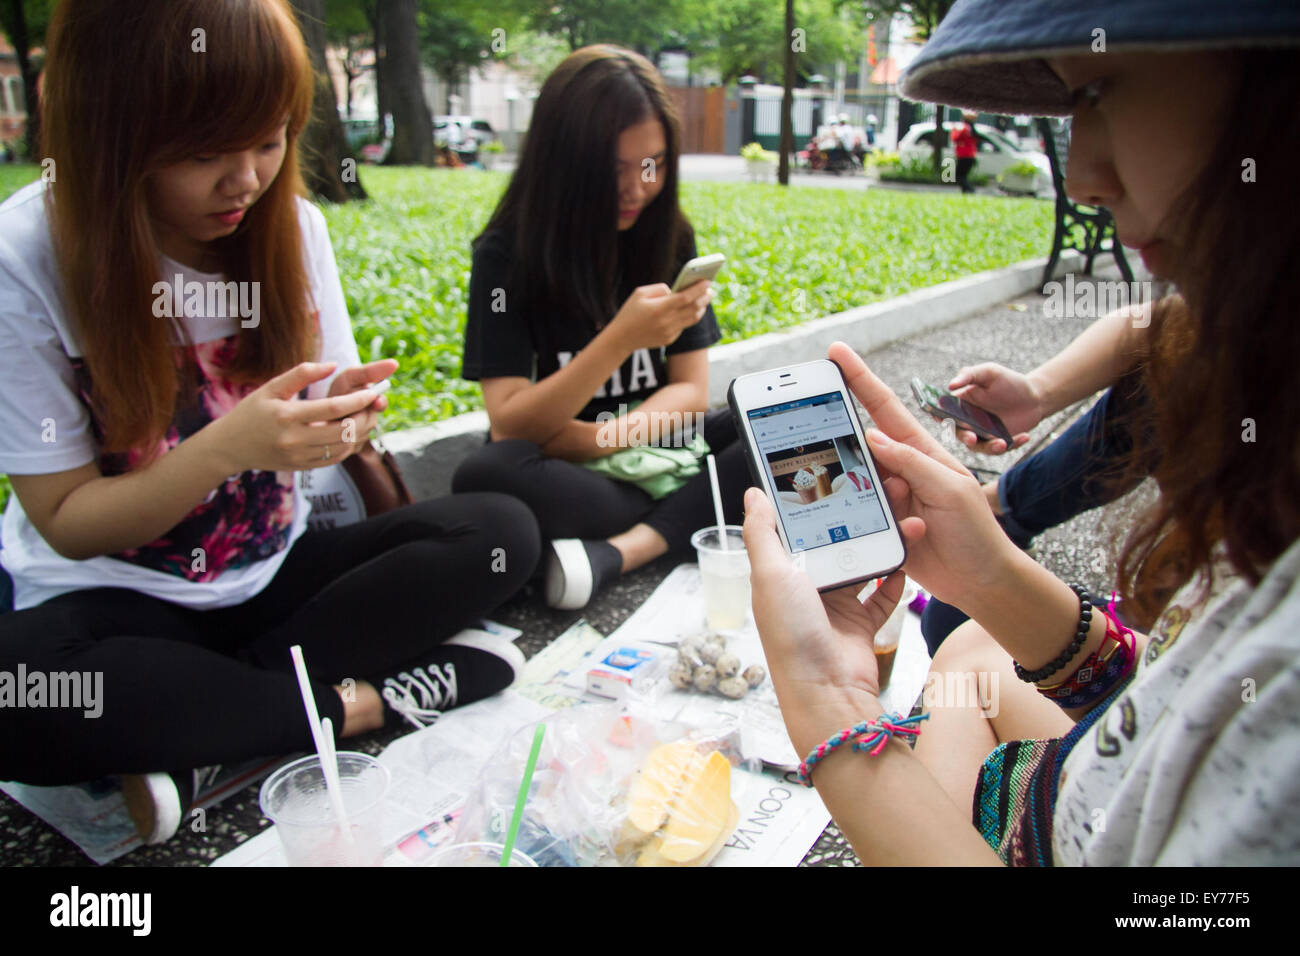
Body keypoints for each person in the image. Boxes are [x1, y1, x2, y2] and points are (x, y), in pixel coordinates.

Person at [744, 0, 1300, 865]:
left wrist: (828, 704)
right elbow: (1180, 692)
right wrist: (993, 573)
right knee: (969, 636)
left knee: (957, 673)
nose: (1080, 179)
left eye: (1101, 94)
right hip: (1097, 776)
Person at [0, 0, 540, 844]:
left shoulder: (291, 228)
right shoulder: (26, 256)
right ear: (108, 133)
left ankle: (207, 725)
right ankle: (359, 703)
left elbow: (326, 430)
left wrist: (345, 421)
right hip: (118, 599)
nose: (245, 180)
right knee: (17, 690)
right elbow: (68, 523)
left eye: (270, 138)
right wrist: (229, 447)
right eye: (206, 151)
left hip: (273, 580)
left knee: (498, 527)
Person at [452, 46, 749, 610]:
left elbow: (690, 393)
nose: (636, 188)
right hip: (573, 477)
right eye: (612, 169)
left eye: (653, 165)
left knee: (780, 416)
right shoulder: (505, 258)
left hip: (650, 449)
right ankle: (696, 514)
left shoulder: (667, 237)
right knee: (487, 473)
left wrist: (602, 438)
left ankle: (621, 552)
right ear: (561, 162)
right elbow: (512, 424)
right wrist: (621, 339)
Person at [919, 302, 1154, 653]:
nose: (1127, 243)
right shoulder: (1224, 313)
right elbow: (1162, 320)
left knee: (958, 637)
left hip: (1184, 634)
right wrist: (1036, 393)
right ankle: (1000, 505)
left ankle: (1140, 614)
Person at [950, 110, 978, 193]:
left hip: (963, 155)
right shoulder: (972, 130)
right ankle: (965, 191)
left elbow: (955, 138)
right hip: (971, 155)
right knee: (963, 175)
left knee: (958, 175)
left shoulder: (963, 128)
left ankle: (970, 189)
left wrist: (954, 129)